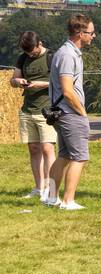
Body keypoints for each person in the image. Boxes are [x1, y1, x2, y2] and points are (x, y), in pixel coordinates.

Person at [45, 14, 95, 211]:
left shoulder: (67, 52)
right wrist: (82, 112)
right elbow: (67, 90)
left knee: (64, 155)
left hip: (62, 113)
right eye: (91, 33)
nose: (94, 36)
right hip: (70, 113)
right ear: (80, 33)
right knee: (79, 157)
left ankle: (51, 197)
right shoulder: (67, 55)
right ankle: (68, 201)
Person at [10, 31, 56, 200]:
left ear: (40, 43)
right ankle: (39, 187)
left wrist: (41, 84)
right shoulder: (22, 58)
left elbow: (62, 81)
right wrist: (18, 81)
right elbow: (13, 80)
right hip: (27, 110)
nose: (31, 55)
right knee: (34, 149)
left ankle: (51, 189)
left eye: (33, 52)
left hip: (47, 110)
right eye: (28, 53)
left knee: (47, 148)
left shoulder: (52, 57)